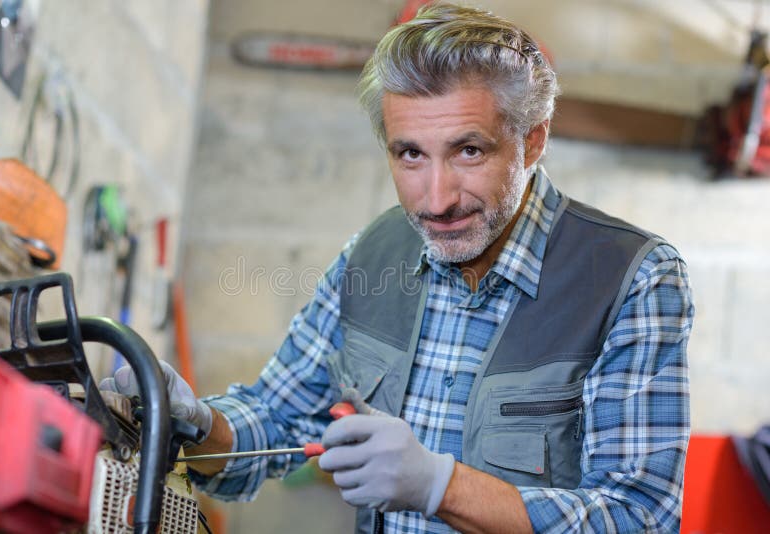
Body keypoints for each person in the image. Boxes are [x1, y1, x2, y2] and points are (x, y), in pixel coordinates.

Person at [102, 3, 694, 533]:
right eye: (410, 153)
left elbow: (638, 517)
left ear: (532, 142)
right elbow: (277, 421)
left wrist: (442, 487)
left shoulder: (632, 279)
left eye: (469, 151)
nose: (435, 200)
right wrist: (194, 420)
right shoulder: (374, 253)